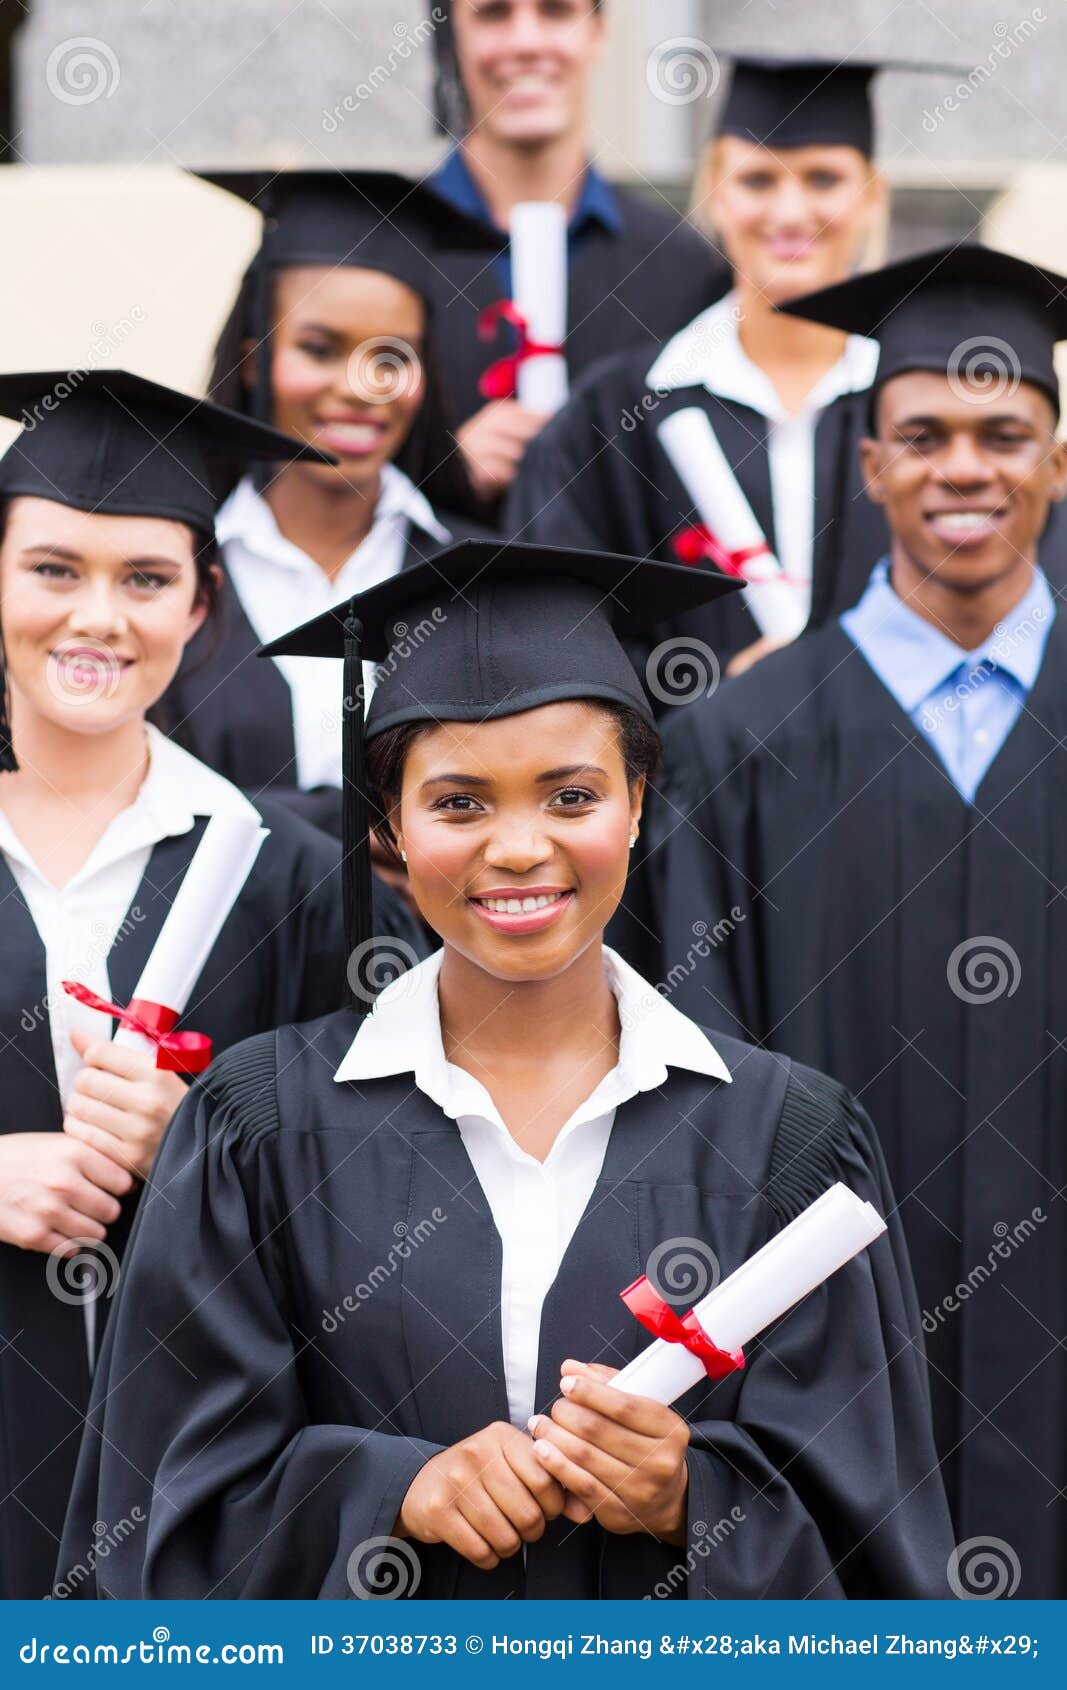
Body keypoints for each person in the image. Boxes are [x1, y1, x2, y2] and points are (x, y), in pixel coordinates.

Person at [58, 539, 952, 1600]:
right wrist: (391, 1493)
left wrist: (689, 1497)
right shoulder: (257, 1128)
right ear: (389, 826)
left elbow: (877, 1547)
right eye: (459, 803)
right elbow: (159, 1521)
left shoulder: (784, 1138)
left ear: (637, 800)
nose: (519, 846)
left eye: (571, 796)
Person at [650, 246, 1067, 1598]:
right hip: (826, 1350)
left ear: (1056, 461)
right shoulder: (734, 741)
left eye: (1002, 434)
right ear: (870, 464)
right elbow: (703, 1080)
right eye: (923, 436)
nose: (963, 468)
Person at [0, 369, 427, 1600]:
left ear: (202, 603)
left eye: (145, 579)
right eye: (53, 569)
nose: (97, 617)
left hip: (192, 1485)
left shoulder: (284, 873)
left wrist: (202, 1151)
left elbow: (383, 1191)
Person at [509, 55, 964, 679]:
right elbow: (552, 635)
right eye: (757, 180)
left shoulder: (926, 410)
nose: (790, 213)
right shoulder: (616, 416)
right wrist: (711, 696)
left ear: (871, 197)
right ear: (715, 195)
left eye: (824, 179)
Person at [158, 171, 497, 842]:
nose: (361, 387)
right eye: (319, 349)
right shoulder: (170, 573)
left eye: (392, 357)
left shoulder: (478, 580)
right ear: (254, 361)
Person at [427, 0, 728, 504]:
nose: (526, 42)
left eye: (556, 11)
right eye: (493, 13)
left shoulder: (686, 268)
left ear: (599, 32)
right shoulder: (381, 253)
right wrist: (437, 471)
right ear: (451, 36)